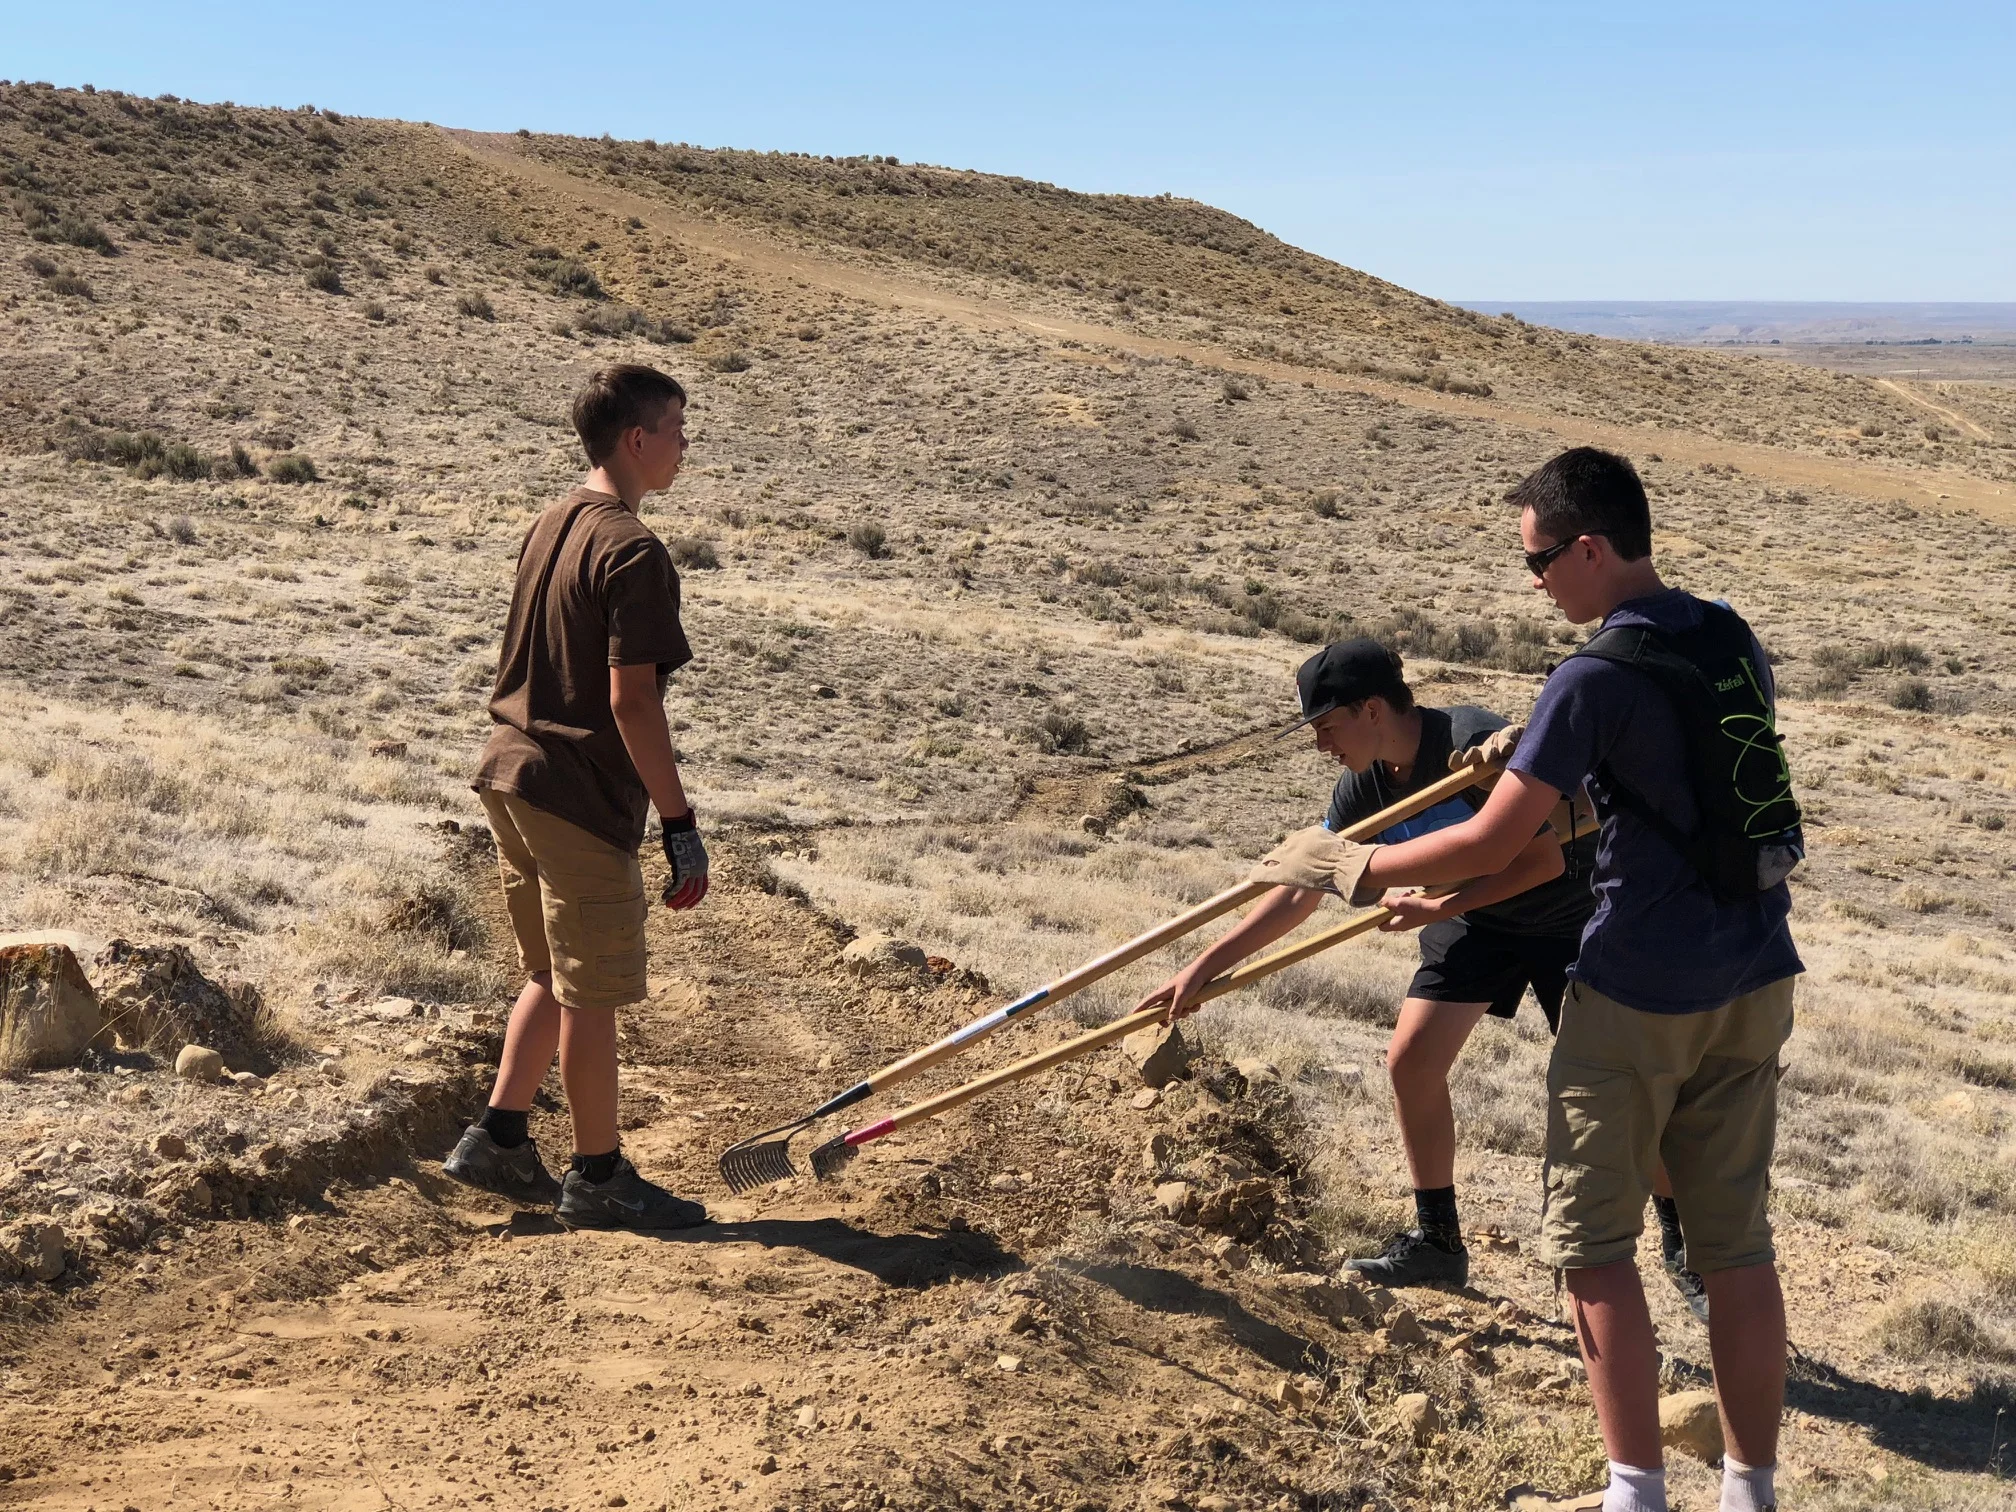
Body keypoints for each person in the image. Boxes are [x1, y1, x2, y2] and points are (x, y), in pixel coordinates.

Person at [1219, 448, 1798, 1512]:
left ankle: (1635, 1494)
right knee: (1738, 1252)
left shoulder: (1589, 677)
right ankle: (1750, 1494)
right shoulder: (1730, 635)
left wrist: (1350, 866)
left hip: (1636, 987)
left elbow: (1494, 843)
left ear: (1588, 547)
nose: (1534, 584)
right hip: (1758, 970)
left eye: (1537, 563)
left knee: (1591, 1248)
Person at [1136, 638, 1599, 1291]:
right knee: (1411, 1060)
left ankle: (1684, 1242)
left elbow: (1539, 862)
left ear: (1372, 709)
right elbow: (1306, 886)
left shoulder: (1468, 742)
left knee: (1606, 1087)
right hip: (1473, 919)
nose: (1322, 744)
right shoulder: (1364, 786)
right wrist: (1204, 968)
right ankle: (1438, 1243)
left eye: (1328, 726)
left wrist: (1440, 906)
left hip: (1566, 916)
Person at [441, 364, 714, 1232]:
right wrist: (679, 822)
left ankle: (500, 1137)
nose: (684, 442)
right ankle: (598, 1176)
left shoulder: (551, 522)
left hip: (508, 774)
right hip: (573, 791)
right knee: (592, 989)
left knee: (552, 973)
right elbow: (633, 701)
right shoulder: (633, 550)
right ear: (637, 439)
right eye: (676, 426)